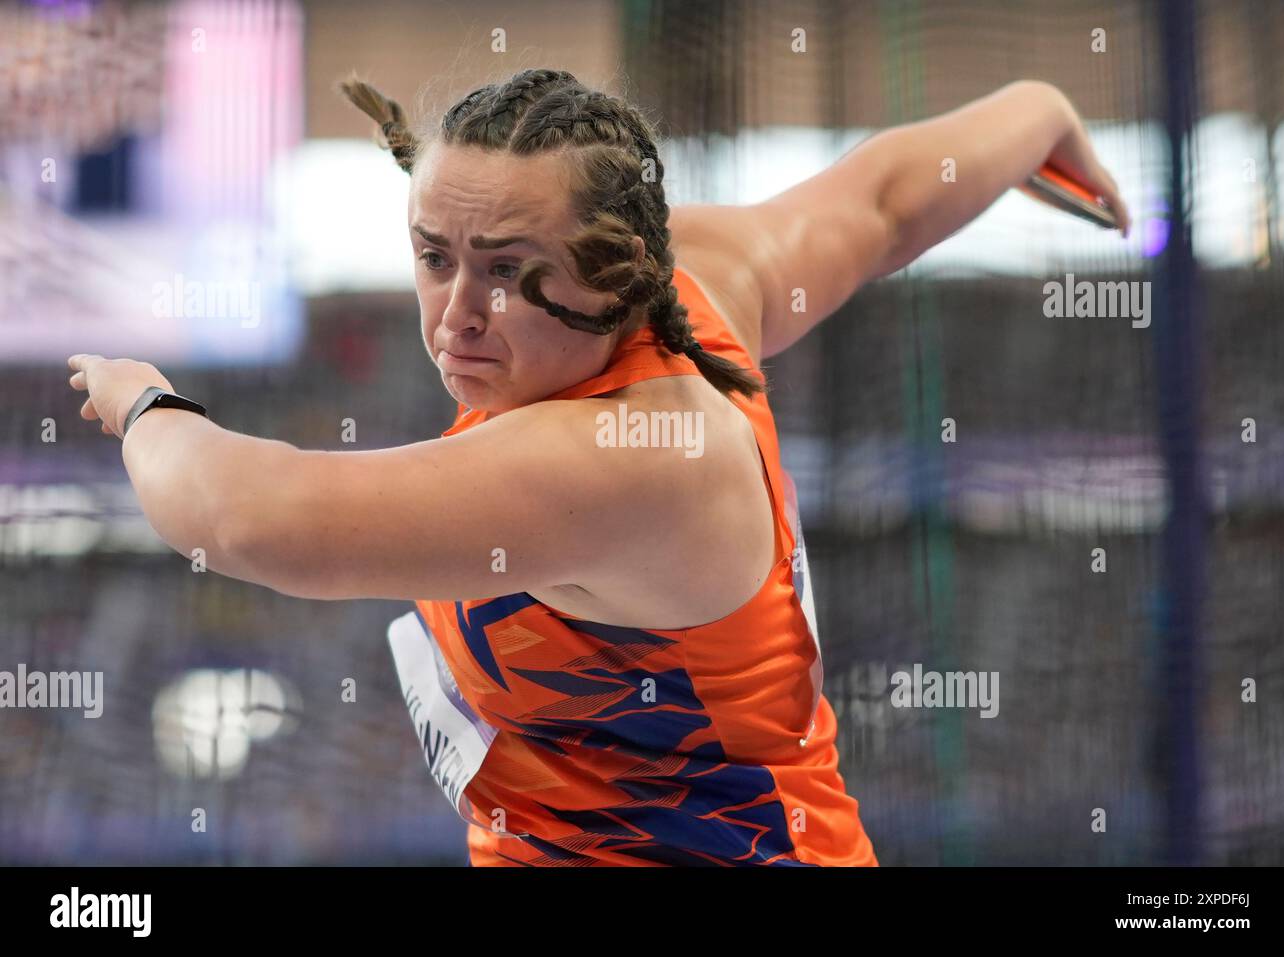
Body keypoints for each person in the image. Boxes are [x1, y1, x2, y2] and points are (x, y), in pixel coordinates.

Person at [68, 69, 1128, 866]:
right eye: (433, 255)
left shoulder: (620, 460)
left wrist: (144, 403)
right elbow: (887, 202)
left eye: (510, 273)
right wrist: (1036, 114)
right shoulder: (703, 279)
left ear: (618, 267)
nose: (456, 315)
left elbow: (250, 517)